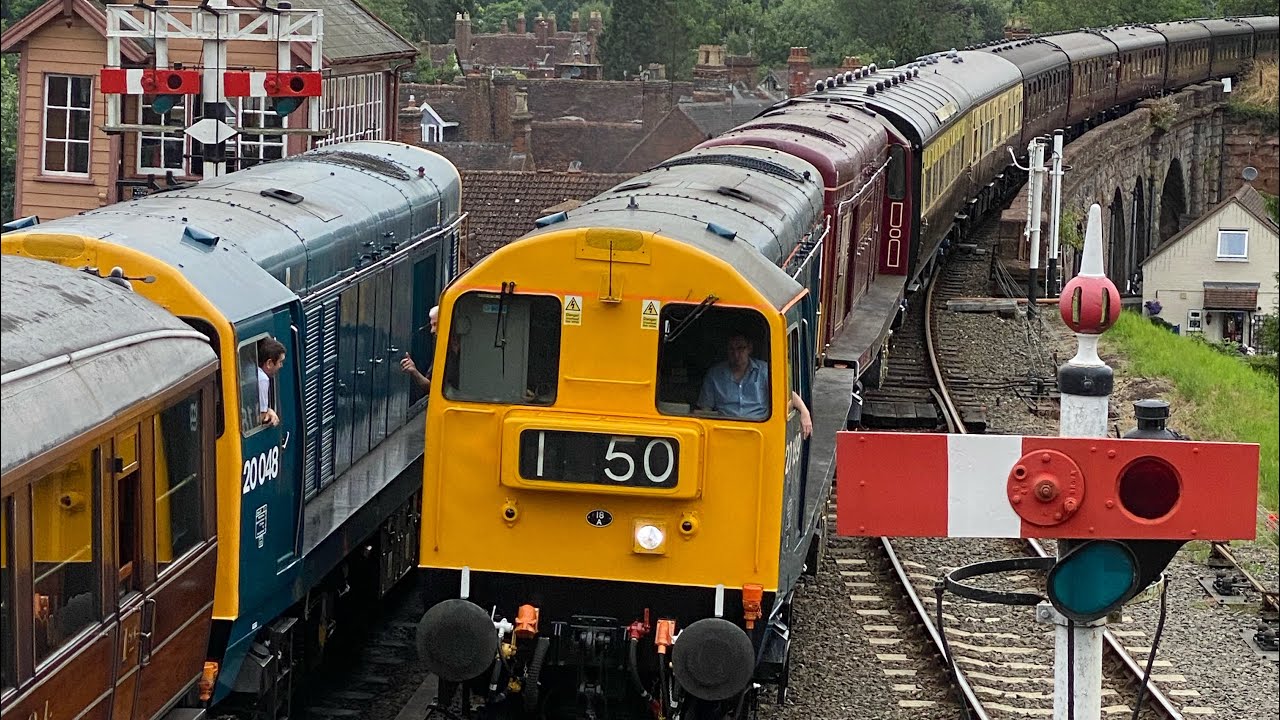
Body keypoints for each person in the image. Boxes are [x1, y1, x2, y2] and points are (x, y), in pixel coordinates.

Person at [696, 334, 813, 438]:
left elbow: (787, 395)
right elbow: (705, 408)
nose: (736, 354)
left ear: (749, 348)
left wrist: (805, 412)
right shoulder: (714, 375)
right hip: (723, 432)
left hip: (759, 432)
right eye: (731, 349)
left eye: (740, 348)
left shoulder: (765, 372)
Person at [401, 306, 439, 393]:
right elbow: (430, 386)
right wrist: (414, 371)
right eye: (431, 325)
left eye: (435, 324)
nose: (432, 331)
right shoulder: (437, 345)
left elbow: (432, 389)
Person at [257, 336, 286, 428]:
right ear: (269, 363)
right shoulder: (262, 379)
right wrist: (269, 412)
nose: (281, 366)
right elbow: (262, 417)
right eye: (280, 362)